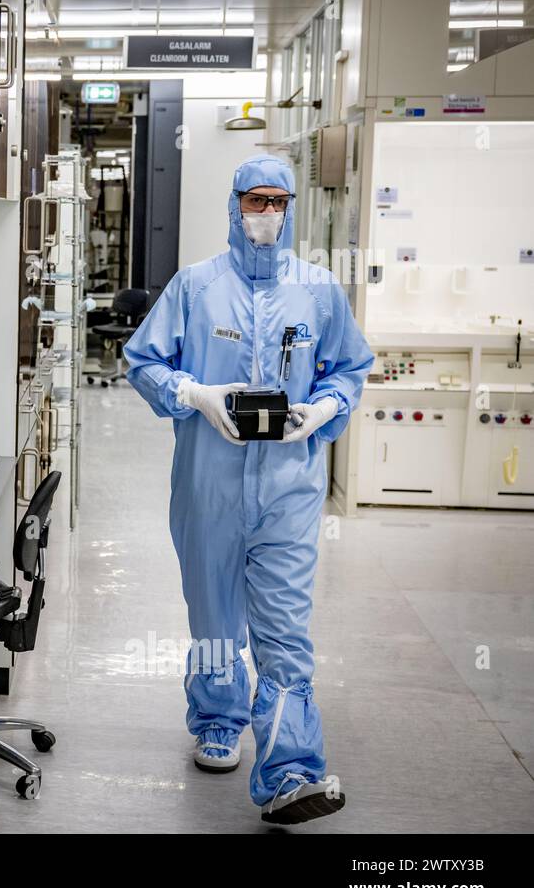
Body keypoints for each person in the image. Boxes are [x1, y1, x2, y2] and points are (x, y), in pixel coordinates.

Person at [123, 154, 373, 824]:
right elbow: (142, 362)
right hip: (207, 486)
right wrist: (197, 395)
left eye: (277, 201)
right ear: (234, 205)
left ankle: (291, 770)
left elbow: (348, 369)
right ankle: (217, 716)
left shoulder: (319, 290)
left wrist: (321, 412)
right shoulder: (195, 286)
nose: (266, 212)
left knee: (286, 633)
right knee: (213, 621)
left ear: (291, 208)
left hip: (289, 488)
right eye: (254, 200)